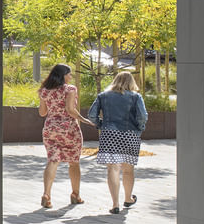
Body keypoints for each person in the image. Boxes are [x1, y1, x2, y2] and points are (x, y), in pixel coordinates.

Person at [88, 71, 148, 214]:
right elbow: (142, 116)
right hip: (130, 134)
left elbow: (91, 115)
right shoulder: (136, 97)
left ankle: (115, 204)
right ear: (131, 82)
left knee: (113, 169)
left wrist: (101, 125)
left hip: (110, 134)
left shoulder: (103, 96)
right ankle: (128, 198)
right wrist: (139, 129)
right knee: (128, 169)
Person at [38, 63, 93, 209]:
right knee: (74, 162)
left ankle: (46, 195)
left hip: (50, 128)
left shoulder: (44, 91)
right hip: (68, 129)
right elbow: (70, 110)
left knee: (53, 160)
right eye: (69, 74)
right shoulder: (70, 89)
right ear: (63, 75)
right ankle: (75, 195)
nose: (71, 76)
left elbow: (42, 113)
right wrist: (83, 119)